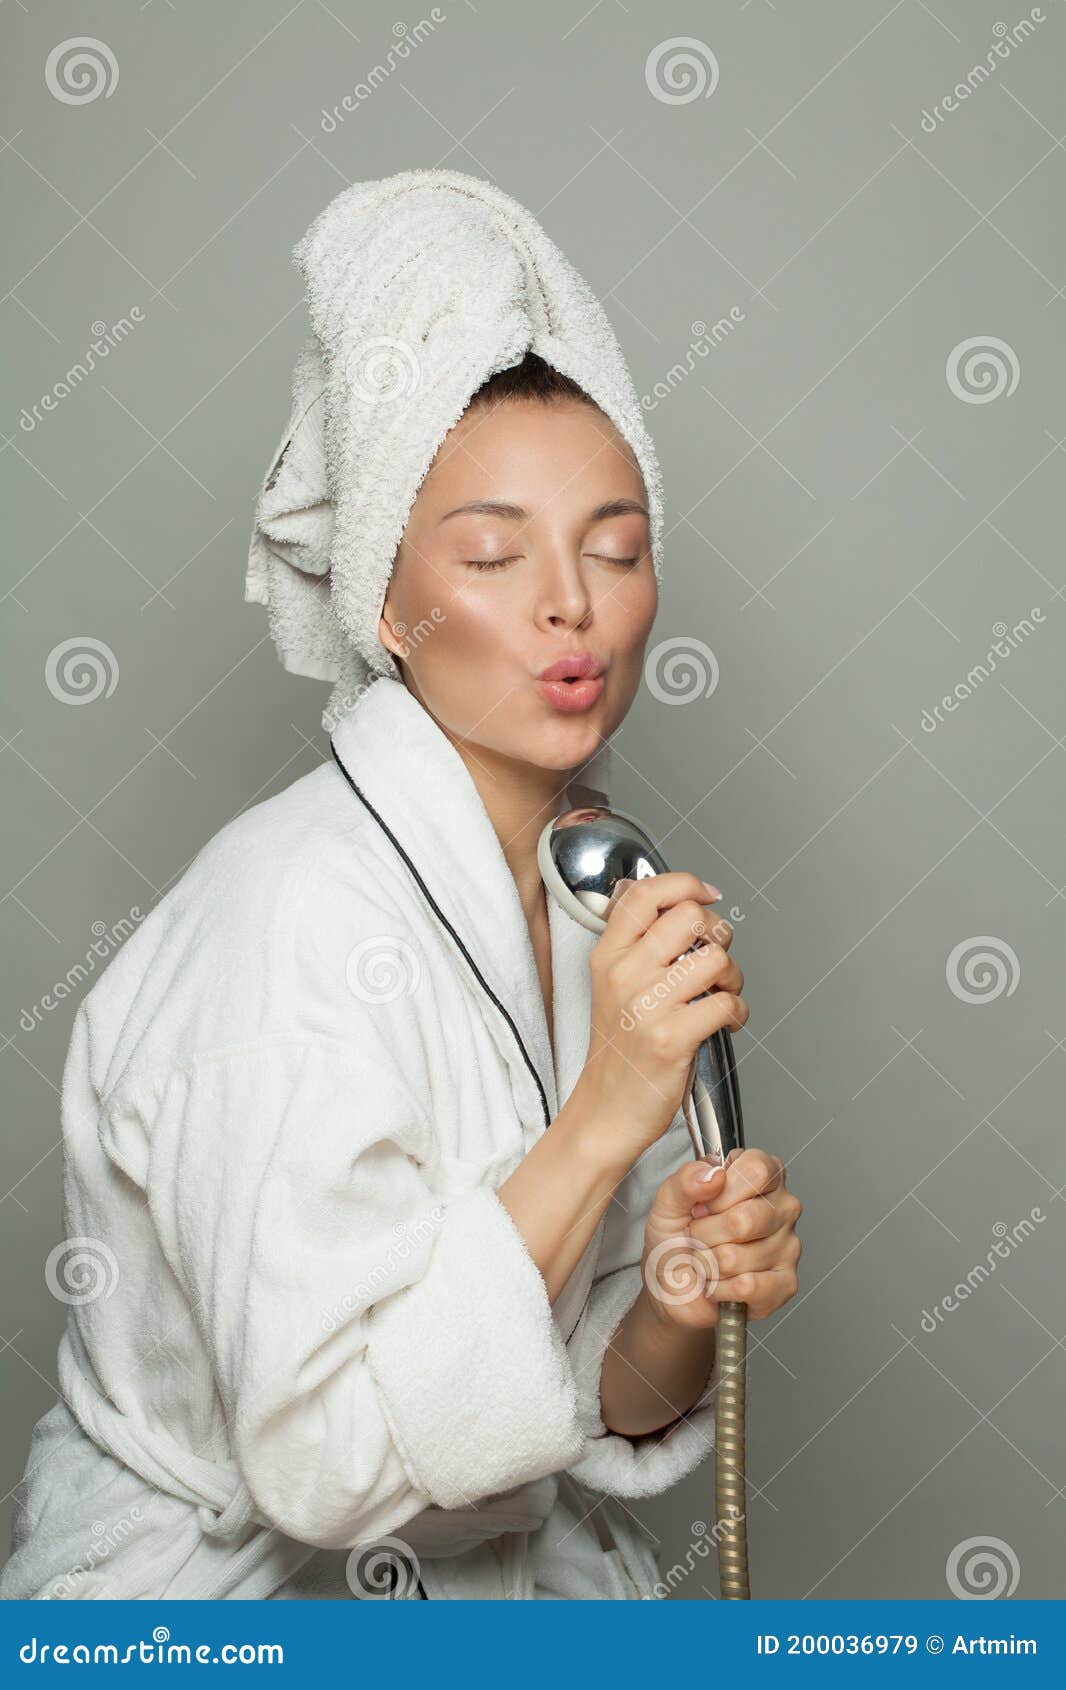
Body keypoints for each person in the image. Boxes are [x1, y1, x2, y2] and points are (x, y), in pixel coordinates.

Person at [0, 171, 802, 1601]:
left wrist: (678, 1295)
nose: (573, 602)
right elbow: (323, 1465)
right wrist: (611, 1107)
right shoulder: (282, 921)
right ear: (384, 595)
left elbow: (549, 1394)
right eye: (493, 552)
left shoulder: (578, 896)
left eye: (614, 547)